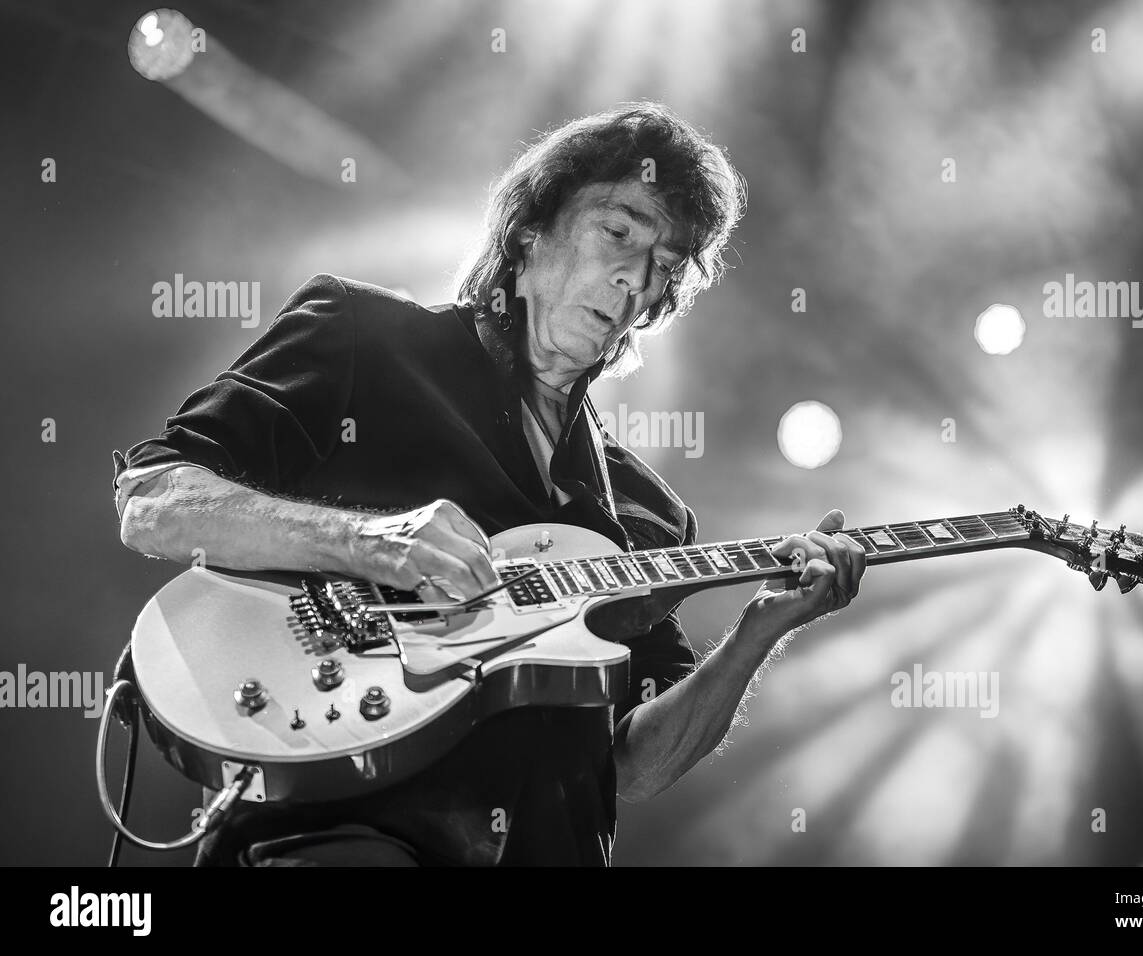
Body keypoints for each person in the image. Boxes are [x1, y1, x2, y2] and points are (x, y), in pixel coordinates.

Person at [114, 101, 868, 866]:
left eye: (665, 264)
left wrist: (758, 633)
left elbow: (636, 765)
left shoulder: (649, 512)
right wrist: (367, 541)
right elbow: (155, 500)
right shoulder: (366, 338)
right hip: (340, 837)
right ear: (529, 231)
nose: (635, 276)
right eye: (618, 231)